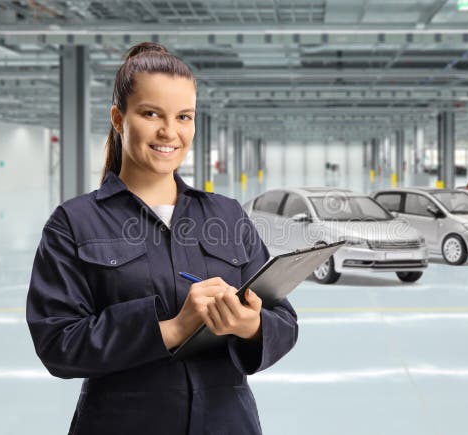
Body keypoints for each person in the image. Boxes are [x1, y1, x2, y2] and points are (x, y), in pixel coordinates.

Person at [26, 42, 298, 435]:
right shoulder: (74, 223)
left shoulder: (227, 215)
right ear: (119, 118)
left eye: (183, 116)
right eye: (151, 113)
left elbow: (284, 321)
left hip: (227, 424)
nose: (169, 132)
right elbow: (57, 342)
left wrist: (250, 325)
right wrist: (172, 328)